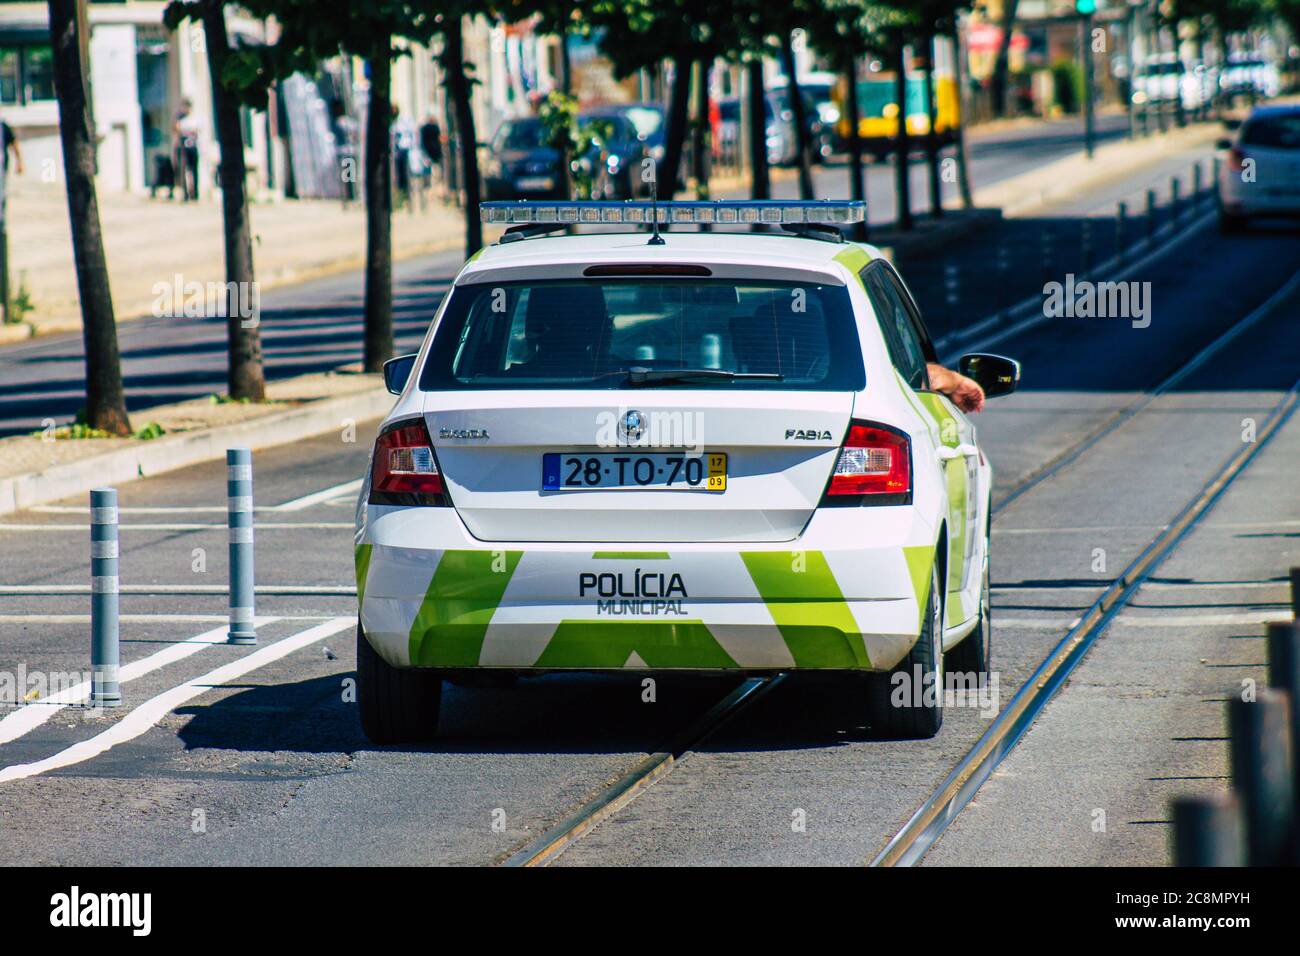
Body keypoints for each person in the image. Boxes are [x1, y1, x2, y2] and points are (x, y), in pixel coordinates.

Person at [173, 98, 200, 201]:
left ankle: (195, 193)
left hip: (193, 147)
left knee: (194, 171)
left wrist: (188, 132)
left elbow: (197, 131)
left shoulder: (194, 119)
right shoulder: (180, 120)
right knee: (184, 170)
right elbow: (176, 130)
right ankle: (186, 193)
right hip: (183, 148)